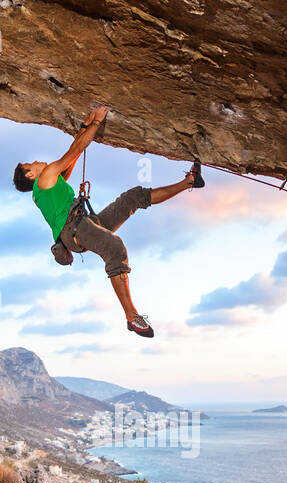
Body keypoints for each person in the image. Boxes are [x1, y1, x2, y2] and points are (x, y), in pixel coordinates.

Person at [13, 105, 203, 339]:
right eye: (29, 165)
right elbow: (76, 150)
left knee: (133, 197)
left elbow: (73, 158)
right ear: (30, 175)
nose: (36, 161)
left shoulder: (48, 184)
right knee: (115, 248)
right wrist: (96, 123)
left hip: (83, 222)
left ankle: (190, 182)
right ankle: (131, 317)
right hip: (74, 229)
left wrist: (86, 124)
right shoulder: (45, 177)